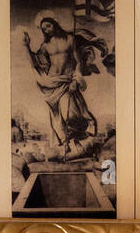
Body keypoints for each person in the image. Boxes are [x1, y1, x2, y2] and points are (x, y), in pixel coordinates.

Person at [22, 14, 112, 159]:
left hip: (67, 81)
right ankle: (67, 144)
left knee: (69, 114)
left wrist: (76, 78)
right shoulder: (45, 46)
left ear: (55, 24)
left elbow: (77, 61)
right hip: (52, 83)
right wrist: (26, 46)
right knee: (58, 117)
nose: (47, 30)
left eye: (48, 26)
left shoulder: (70, 39)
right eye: (44, 29)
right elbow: (35, 63)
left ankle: (81, 139)